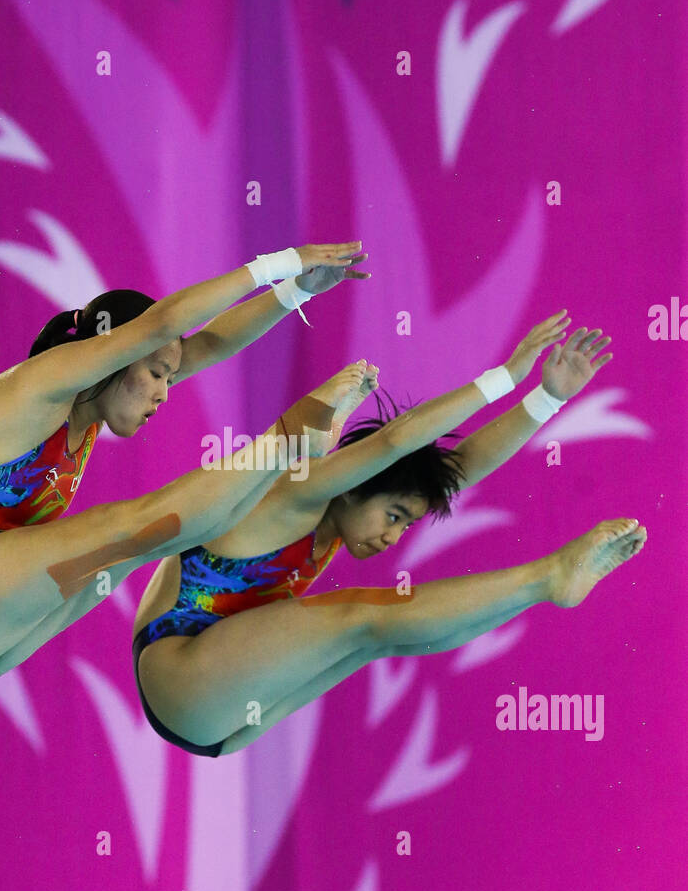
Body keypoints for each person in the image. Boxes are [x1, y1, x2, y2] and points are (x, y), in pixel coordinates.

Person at [130, 312, 647, 757]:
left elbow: (458, 466)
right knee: (365, 616)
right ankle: (548, 577)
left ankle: (538, 591)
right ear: (354, 487)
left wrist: (546, 400)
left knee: (378, 639)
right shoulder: (297, 493)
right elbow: (395, 442)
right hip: (179, 671)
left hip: (224, 715)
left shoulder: (339, 520)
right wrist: (503, 379)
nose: (394, 537)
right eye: (395, 515)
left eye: (405, 524)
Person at [0, 242, 369, 684]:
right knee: (121, 525)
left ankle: (290, 447)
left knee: (151, 540)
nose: (163, 395)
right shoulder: (37, 388)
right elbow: (164, 324)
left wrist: (298, 290)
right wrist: (282, 264)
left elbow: (207, 343)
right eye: (156, 374)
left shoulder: (92, 410)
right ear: (114, 354)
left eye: (169, 380)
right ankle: (286, 441)